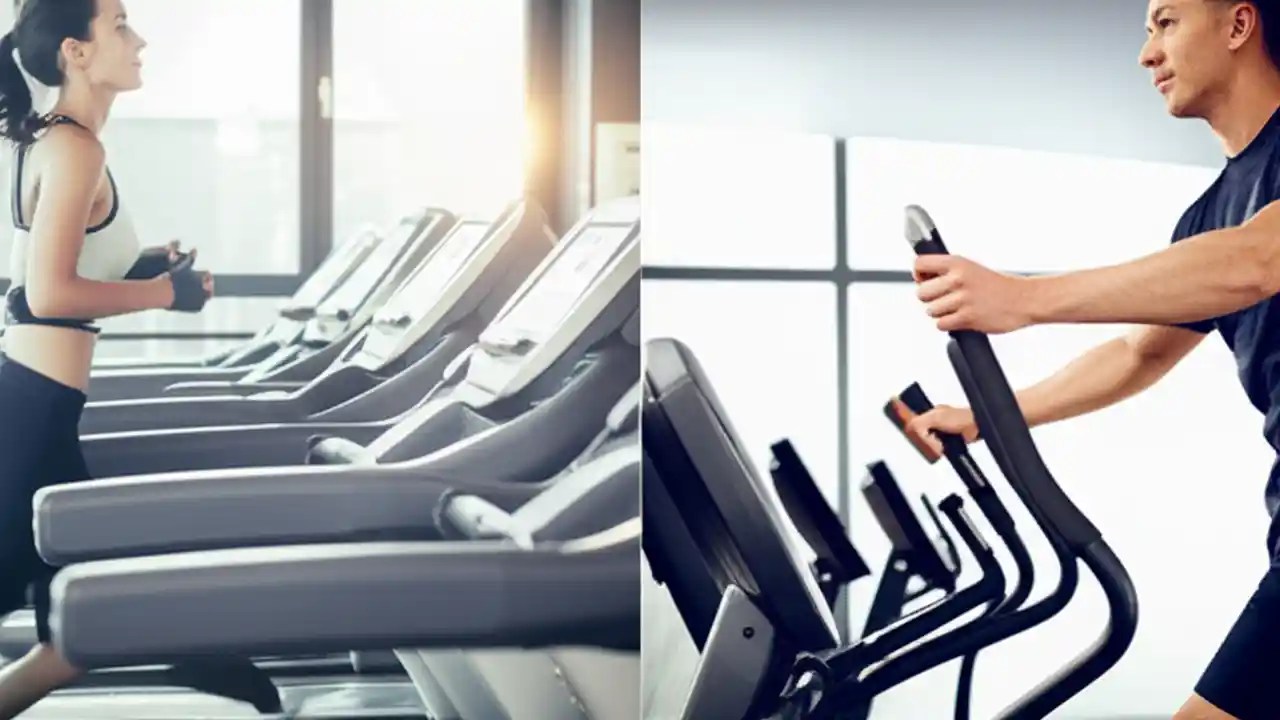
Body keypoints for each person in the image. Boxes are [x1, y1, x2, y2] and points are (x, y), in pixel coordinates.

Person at [904, 1, 1280, 718]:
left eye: (1165, 22)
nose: (1146, 54)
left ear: (1238, 26)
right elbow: (1137, 353)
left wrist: (1022, 299)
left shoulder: (1241, 237)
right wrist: (987, 417)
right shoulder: (1208, 216)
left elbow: (1260, 261)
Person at [0, 0, 212, 715]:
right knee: (93, 610)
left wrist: (149, 267)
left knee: (89, 617)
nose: (140, 38)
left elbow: (48, 281)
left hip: (42, 407)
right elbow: (50, 291)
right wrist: (164, 293)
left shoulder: (58, 141)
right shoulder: (74, 147)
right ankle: (218, 660)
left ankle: (215, 660)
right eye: (119, 23)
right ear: (76, 51)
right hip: (30, 414)